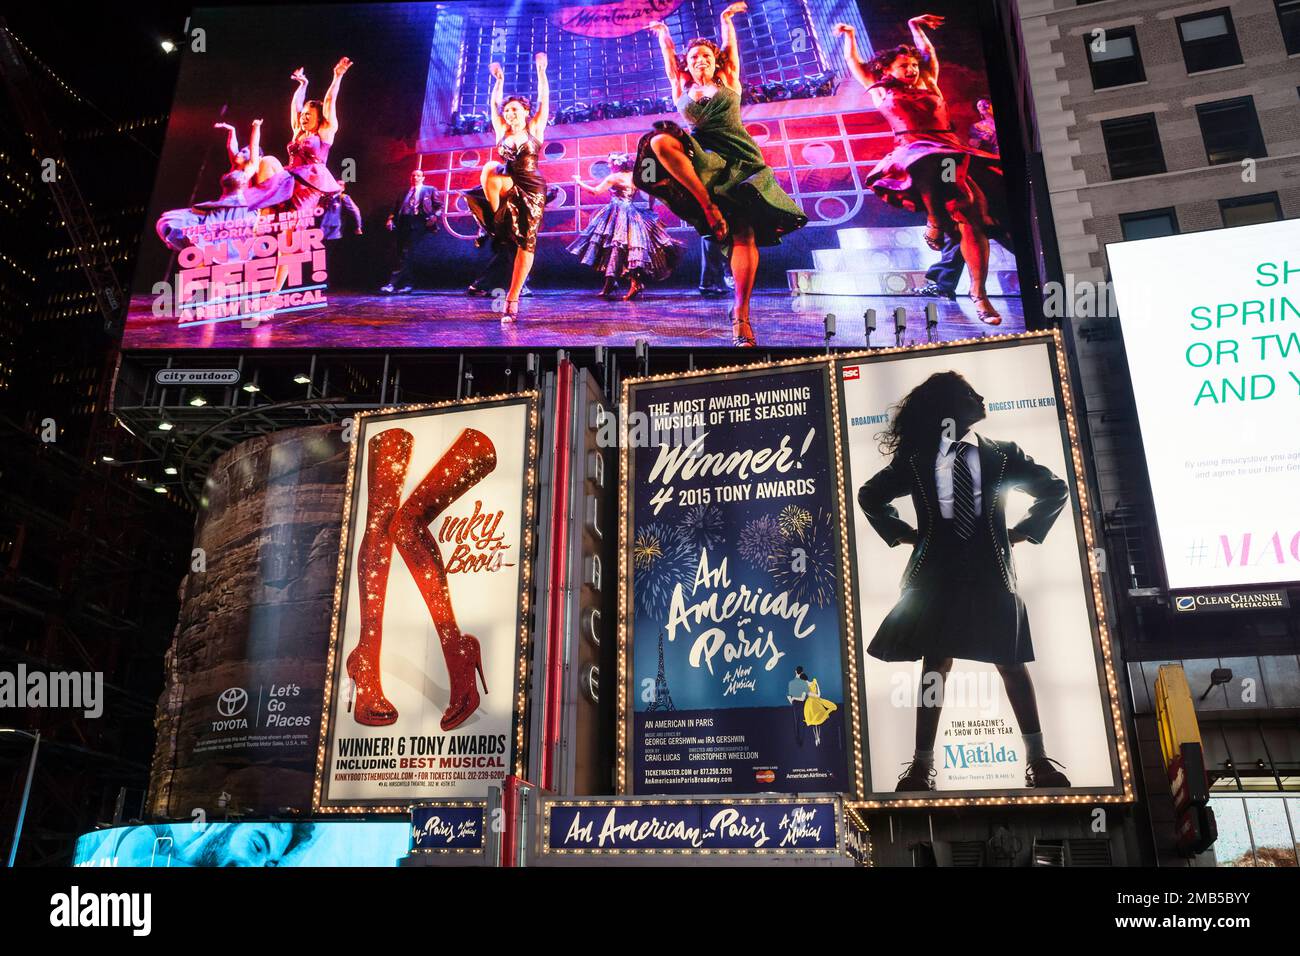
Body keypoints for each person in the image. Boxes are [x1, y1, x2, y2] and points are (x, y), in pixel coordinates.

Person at [856, 371, 1073, 792]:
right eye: (970, 394)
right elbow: (869, 495)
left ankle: (1038, 761)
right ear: (948, 408)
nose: (981, 397)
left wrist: (1023, 531)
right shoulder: (917, 459)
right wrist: (904, 534)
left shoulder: (1004, 454)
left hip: (992, 573)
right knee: (934, 667)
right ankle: (921, 768)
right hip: (936, 577)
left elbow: (1055, 489)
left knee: (1011, 663)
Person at [636, 3, 807, 346]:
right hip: (701, 159)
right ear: (689, 64)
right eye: (695, 57)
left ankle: (741, 315)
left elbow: (731, 51)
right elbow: (671, 61)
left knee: (743, 235)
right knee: (658, 140)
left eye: (707, 57)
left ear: (717, 64)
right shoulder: (680, 87)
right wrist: (664, 35)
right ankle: (707, 205)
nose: (701, 60)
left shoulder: (729, 81)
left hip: (739, 159)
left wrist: (725, 20)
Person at [836, 17, 1005, 325]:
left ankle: (978, 294)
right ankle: (935, 218)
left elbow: (928, 53)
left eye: (913, 64)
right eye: (904, 66)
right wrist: (848, 36)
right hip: (912, 154)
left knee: (969, 211)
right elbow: (854, 62)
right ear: (887, 70)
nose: (912, 69)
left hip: (950, 153)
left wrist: (916, 27)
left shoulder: (928, 81)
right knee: (925, 161)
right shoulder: (879, 90)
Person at [463, 52, 551, 322]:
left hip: (532, 186)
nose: (510, 113)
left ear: (525, 112)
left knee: (526, 243)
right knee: (489, 170)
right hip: (509, 180)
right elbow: (493, 103)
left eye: (516, 109)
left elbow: (544, 98)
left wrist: (541, 70)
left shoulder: (535, 128)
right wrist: (498, 80)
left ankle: (512, 300)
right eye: (507, 109)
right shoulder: (501, 131)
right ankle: (498, 224)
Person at [913, 99, 1006, 301]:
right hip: (973, 202)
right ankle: (945, 283)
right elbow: (947, 185)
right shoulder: (945, 152)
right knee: (958, 234)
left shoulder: (950, 148)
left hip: (991, 192)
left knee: (960, 233)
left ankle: (946, 283)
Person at [568, 152, 680, 300]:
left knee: (618, 247)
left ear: (616, 164)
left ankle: (634, 284)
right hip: (631, 212)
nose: (608, 165)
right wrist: (650, 207)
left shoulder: (614, 178)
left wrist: (578, 182)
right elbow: (652, 191)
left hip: (618, 212)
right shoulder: (635, 176)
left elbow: (595, 192)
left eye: (610, 163)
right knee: (623, 247)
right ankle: (611, 283)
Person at [155, 118, 273, 257]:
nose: (240, 152)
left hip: (238, 208)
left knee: (230, 238)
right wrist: (232, 130)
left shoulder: (249, 168)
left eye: (244, 152)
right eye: (241, 151)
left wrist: (256, 127)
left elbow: (254, 148)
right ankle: (198, 247)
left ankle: (215, 255)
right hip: (220, 207)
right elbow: (231, 147)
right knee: (169, 221)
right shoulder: (234, 168)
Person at [381, 168, 442, 294]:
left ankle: (393, 284)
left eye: (418, 176)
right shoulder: (404, 191)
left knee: (406, 252)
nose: (415, 178)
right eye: (413, 175)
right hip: (403, 222)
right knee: (401, 253)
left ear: (423, 178)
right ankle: (407, 284)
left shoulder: (429, 190)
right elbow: (395, 208)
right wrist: (390, 219)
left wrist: (434, 217)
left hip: (419, 222)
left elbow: (439, 206)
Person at [801, 669, 837, 747]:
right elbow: (818, 693)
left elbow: (807, 696)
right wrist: (816, 692)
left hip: (811, 703)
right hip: (816, 701)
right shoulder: (813, 682)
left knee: (814, 720)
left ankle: (817, 737)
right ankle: (817, 737)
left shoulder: (805, 686)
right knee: (817, 719)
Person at [786, 666, 810, 747]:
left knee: (796, 722)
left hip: (795, 704)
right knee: (802, 722)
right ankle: (802, 742)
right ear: (802, 672)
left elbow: (789, 696)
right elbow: (804, 697)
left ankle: (797, 742)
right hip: (802, 704)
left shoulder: (791, 683)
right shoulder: (804, 683)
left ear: (795, 671)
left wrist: (792, 700)